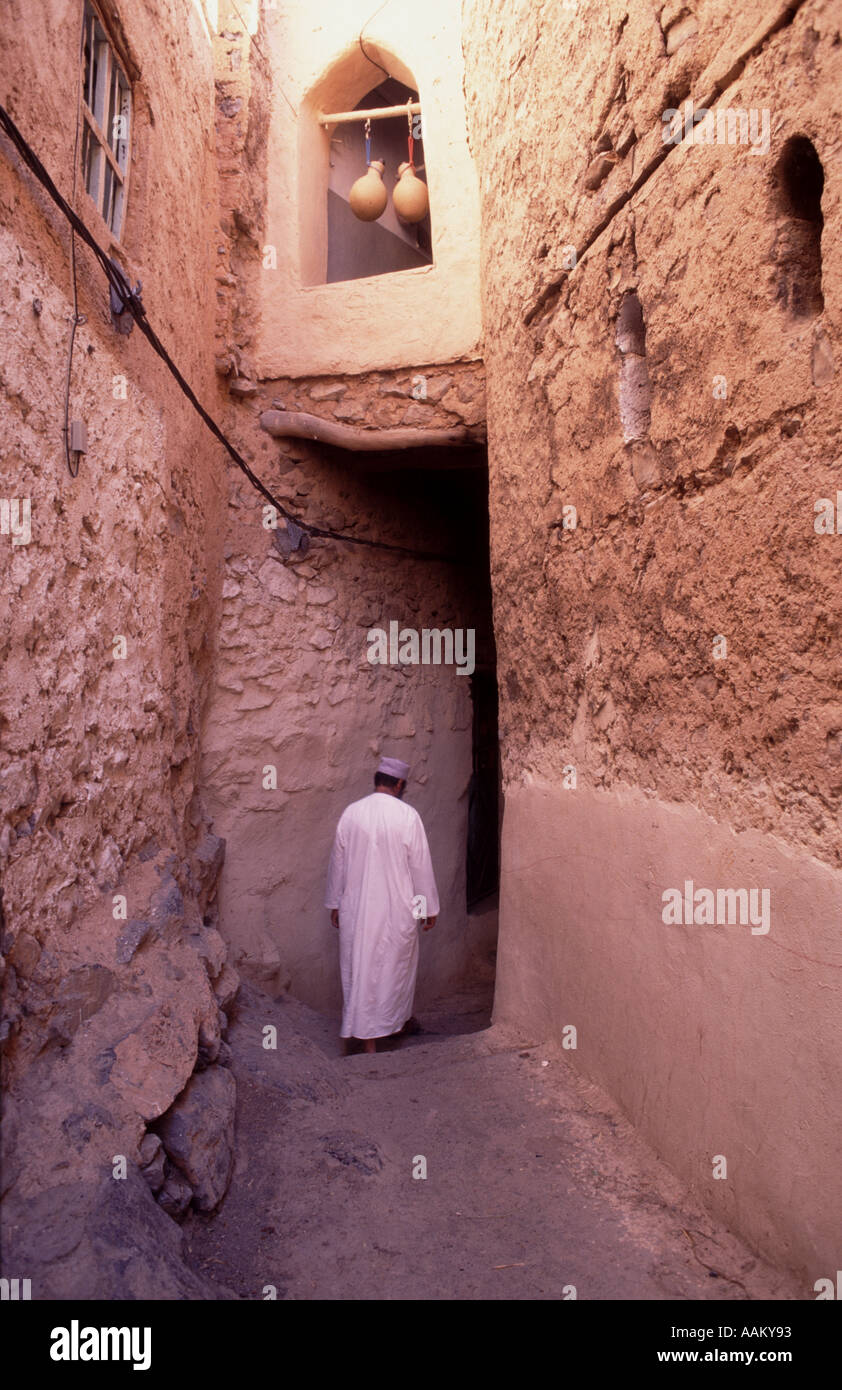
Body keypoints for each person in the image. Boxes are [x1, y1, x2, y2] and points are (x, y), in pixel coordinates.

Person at [325, 756, 439, 1054]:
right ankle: (389, 1028)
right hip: (396, 910)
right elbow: (420, 867)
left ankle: (370, 1041)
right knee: (393, 970)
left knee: (360, 969)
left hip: (357, 910)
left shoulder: (352, 813)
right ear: (399, 784)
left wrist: (336, 903)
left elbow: (338, 863)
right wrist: (425, 909)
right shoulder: (408, 815)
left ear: (377, 780)